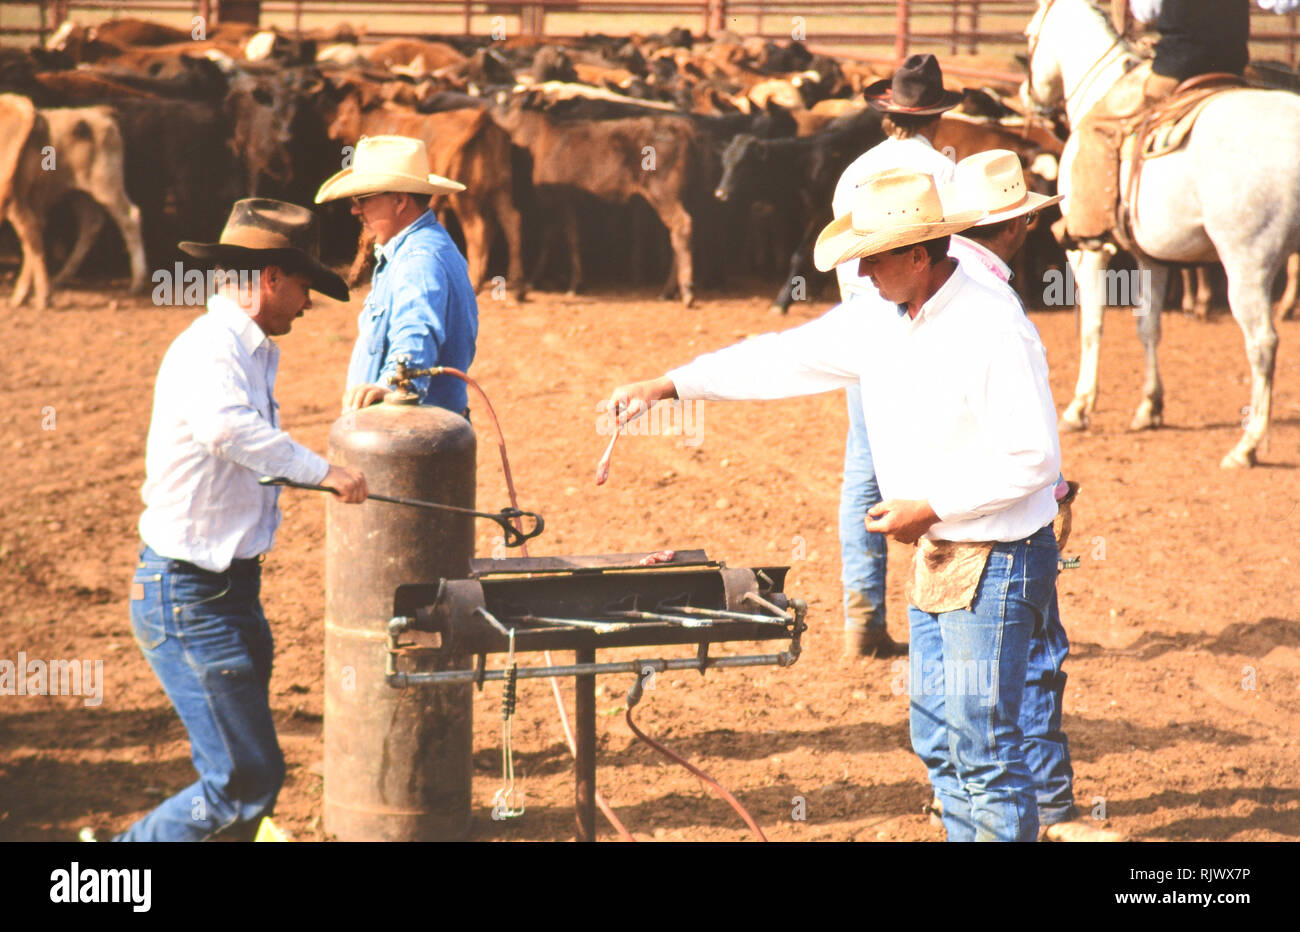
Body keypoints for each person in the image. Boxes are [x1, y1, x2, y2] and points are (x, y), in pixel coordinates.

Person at [608, 169, 1065, 841]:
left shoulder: (992, 325)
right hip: (944, 551)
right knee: (941, 733)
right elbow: (778, 357)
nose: (862, 269)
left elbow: (1034, 458)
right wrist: (671, 384)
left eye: (874, 255)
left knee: (983, 749)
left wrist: (928, 506)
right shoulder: (880, 317)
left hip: (995, 558)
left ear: (919, 255)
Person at [115, 198, 368, 842]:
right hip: (188, 594)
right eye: (306, 285)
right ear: (272, 278)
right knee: (244, 777)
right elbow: (228, 428)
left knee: (246, 773)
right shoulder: (212, 349)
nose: (309, 304)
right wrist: (325, 472)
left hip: (224, 590)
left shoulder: (249, 350)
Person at [832, 53, 960, 658]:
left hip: (864, 328)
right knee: (945, 472)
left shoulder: (855, 172)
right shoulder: (945, 173)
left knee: (865, 468)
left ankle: (862, 616)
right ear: (936, 116)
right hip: (929, 329)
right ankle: (942, 612)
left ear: (889, 114)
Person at [315, 135, 478, 415]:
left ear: (400, 201)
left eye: (363, 199)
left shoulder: (418, 260)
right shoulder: (420, 249)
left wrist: (393, 386)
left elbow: (416, 331)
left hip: (410, 440)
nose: (355, 209)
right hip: (423, 436)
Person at [1068, 0, 1250, 244]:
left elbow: (1145, 10)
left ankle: (1091, 228)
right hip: (1232, 67)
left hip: (1176, 69)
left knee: (1096, 124)